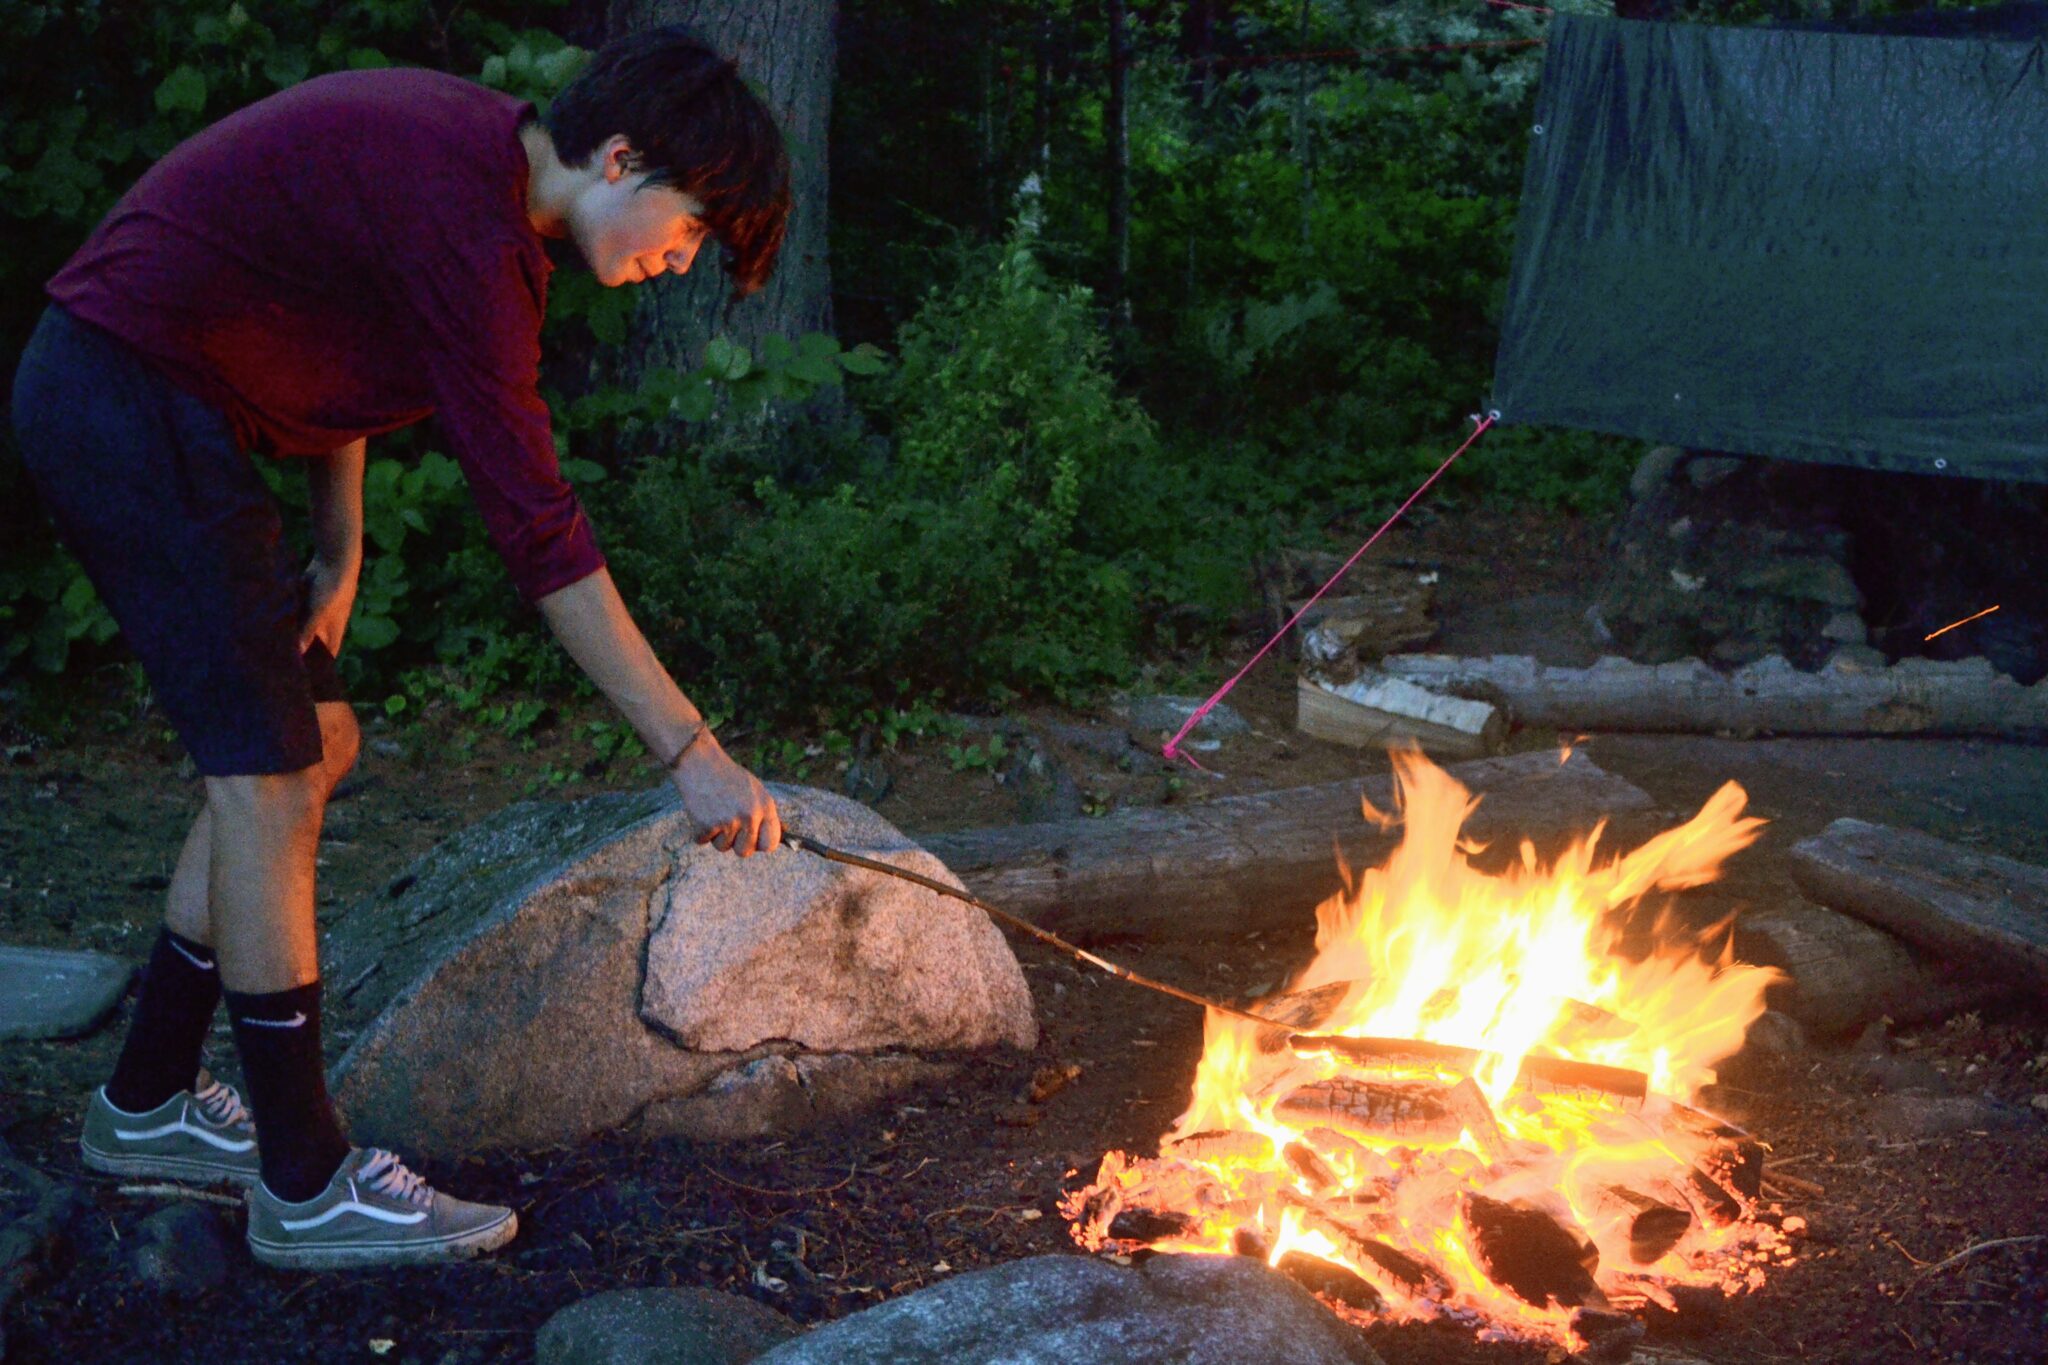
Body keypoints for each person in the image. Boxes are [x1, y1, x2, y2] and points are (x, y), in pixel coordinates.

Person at [9, 28, 787, 1270]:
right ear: (623, 158)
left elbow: (342, 326)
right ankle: (307, 1186)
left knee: (314, 744)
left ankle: (148, 1098)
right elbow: (542, 536)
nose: (676, 260)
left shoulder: (476, 190)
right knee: (266, 777)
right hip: (123, 393)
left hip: (156, 408)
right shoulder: (464, 211)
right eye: (688, 229)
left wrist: (343, 547)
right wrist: (689, 750)